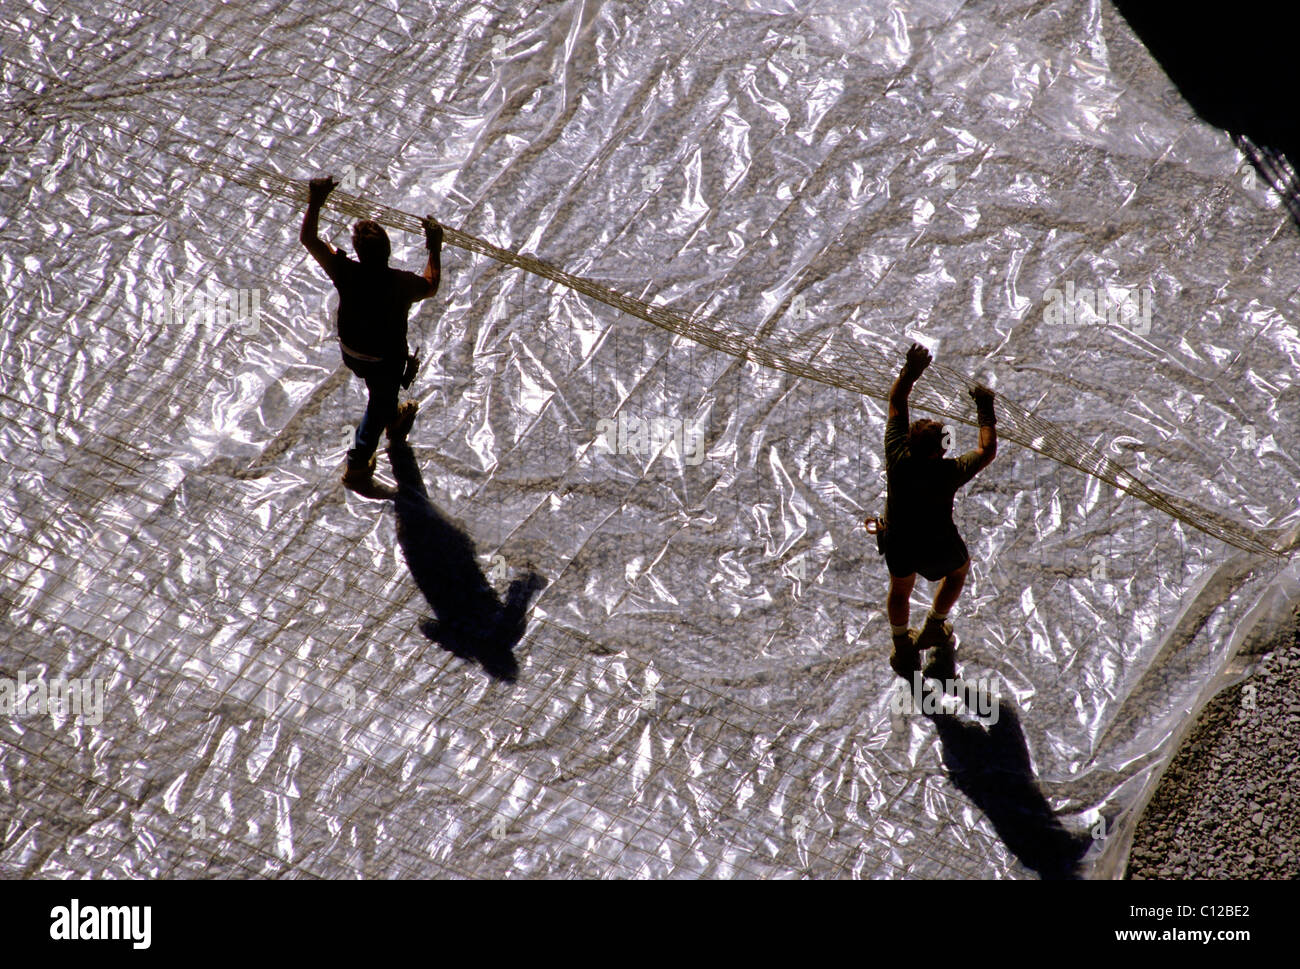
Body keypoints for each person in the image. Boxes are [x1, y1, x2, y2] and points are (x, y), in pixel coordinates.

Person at [299, 175, 444, 498]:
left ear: (357, 252)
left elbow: (309, 239)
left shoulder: (345, 270)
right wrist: (435, 246)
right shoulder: (402, 283)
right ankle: (357, 464)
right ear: (388, 251)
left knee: (380, 389)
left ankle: (392, 416)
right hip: (385, 358)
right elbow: (431, 285)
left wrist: (316, 200)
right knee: (377, 404)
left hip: (352, 350)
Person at [879, 343, 997, 680]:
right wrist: (985, 408)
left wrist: (911, 372)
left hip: (900, 539)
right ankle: (934, 625)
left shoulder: (897, 455)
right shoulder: (949, 471)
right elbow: (986, 450)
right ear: (940, 450)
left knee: (899, 588)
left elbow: (896, 403)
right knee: (957, 572)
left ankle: (902, 645)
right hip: (937, 543)